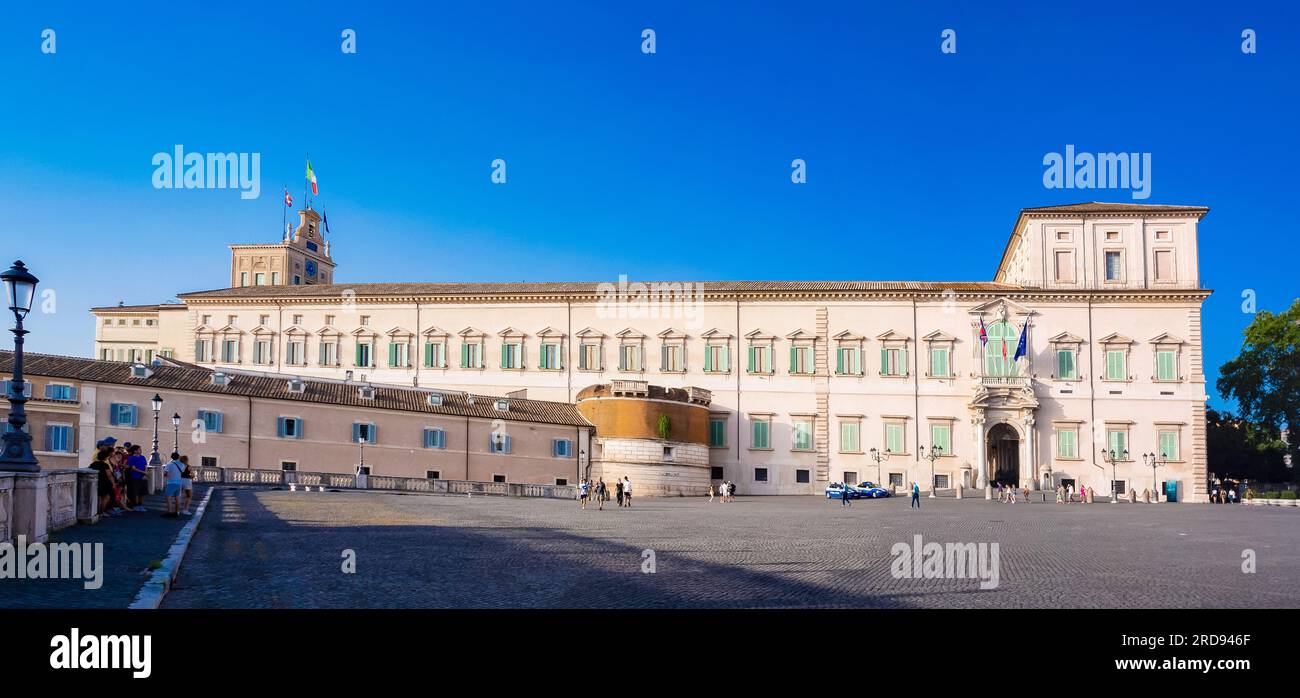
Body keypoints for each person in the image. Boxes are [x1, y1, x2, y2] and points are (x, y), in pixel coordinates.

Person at [88, 440, 121, 517]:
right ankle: (101, 512)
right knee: (106, 497)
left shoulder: (93, 464)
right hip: (104, 482)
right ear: (106, 457)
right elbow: (109, 475)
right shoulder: (105, 465)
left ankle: (98, 512)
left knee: (99, 498)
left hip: (97, 482)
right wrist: (113, 483)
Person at [125, 444, 149, 512]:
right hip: (135, 477)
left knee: (142, 492)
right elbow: (133, 468)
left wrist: (145, 473)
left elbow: (145, 466)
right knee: (136, 492)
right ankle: (136, 505)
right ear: (135, 451)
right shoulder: (131, 458)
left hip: (143, 477)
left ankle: (140, 505)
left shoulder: (143, 457)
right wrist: (143, 473)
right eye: (139, 449)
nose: (141, 450)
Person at [162, 451, 184, 518]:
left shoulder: (169, 464)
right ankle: (177, 512)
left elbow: (165, 474)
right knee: (177, 498)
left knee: (168, 497)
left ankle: (169, 512)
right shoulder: (182, 464)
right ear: (178, 457)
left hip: (171, 483)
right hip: (179, 483)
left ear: (171, 457)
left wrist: (167, 475)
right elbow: (181, 472)